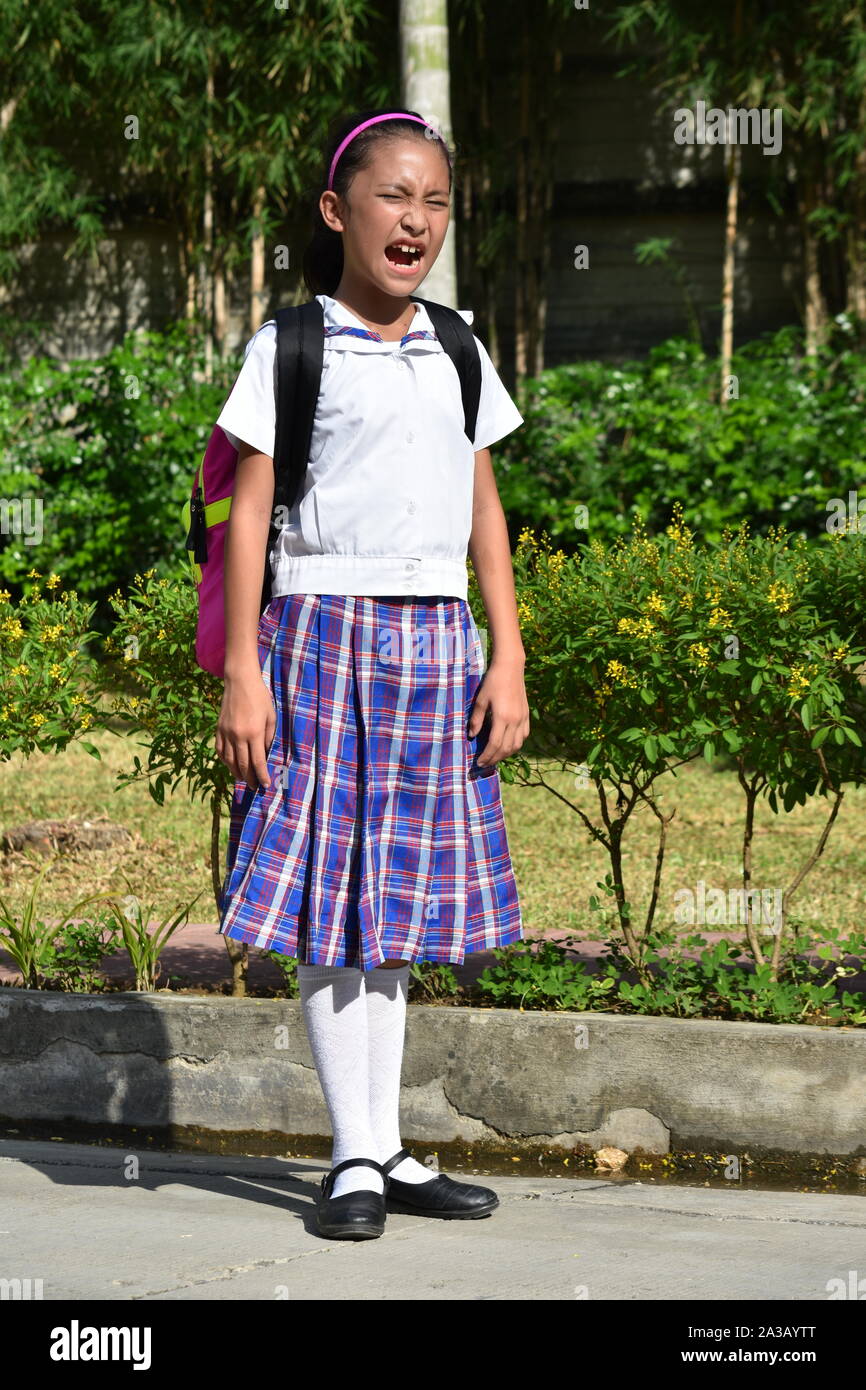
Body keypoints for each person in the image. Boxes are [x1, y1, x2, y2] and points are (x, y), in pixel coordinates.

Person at [213, 107, 530, 1239]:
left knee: (393, 900)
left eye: (434, 199)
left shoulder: (459, 347)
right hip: (318, 637)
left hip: (437, 645)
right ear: (337, 211)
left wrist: (507, 652)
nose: (416, 219)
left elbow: (483, 507)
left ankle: (383, 1147)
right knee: (330, 900)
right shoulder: (290, 346)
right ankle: (352, 1154)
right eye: (394, 195)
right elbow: (248, 518)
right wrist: (243, 670)